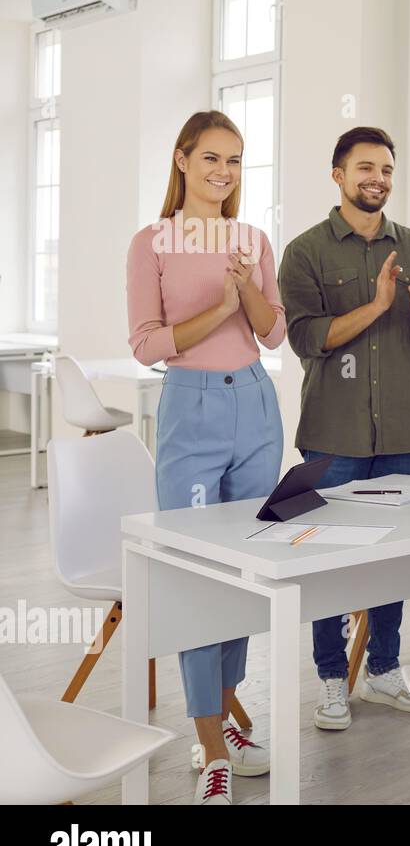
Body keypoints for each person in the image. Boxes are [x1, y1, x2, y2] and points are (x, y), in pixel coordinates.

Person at [127, 110, 284, 805]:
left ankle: (227, 718)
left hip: (254, 405)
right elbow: (147, 344)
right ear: (183, 160)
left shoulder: (252, 239)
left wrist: (245, 288)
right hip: (188, 410)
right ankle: (211, 745)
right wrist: (221, 307)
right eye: (212, 158)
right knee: (197, 574)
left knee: (246, 574)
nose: (225, 172)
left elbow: (274, 334)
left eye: (237, 160)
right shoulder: (150, 242)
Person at [277, 126, 410, 732]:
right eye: (364, 169)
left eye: (385, 170)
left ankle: (382, 667)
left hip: (402, 431)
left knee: (391, 557)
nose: (376, 180)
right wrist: (377, 305)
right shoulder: (305, 252)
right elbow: (306, 338)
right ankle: (331, 675)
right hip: (332, 432)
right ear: (338, 175)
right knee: (329, 556)